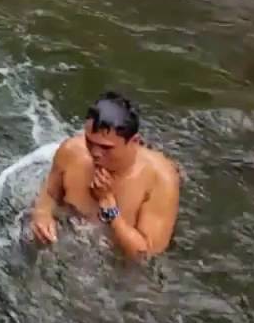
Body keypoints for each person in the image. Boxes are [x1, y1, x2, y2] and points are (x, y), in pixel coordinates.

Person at [29, 92, 180, 259]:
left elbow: (145, 256)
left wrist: (109, 207)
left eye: (106, 148)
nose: (95, 153)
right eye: (89, 142)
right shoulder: (71, 152)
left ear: (134, 142)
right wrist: (42, 215)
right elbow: (49, 194)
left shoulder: (160, 179)